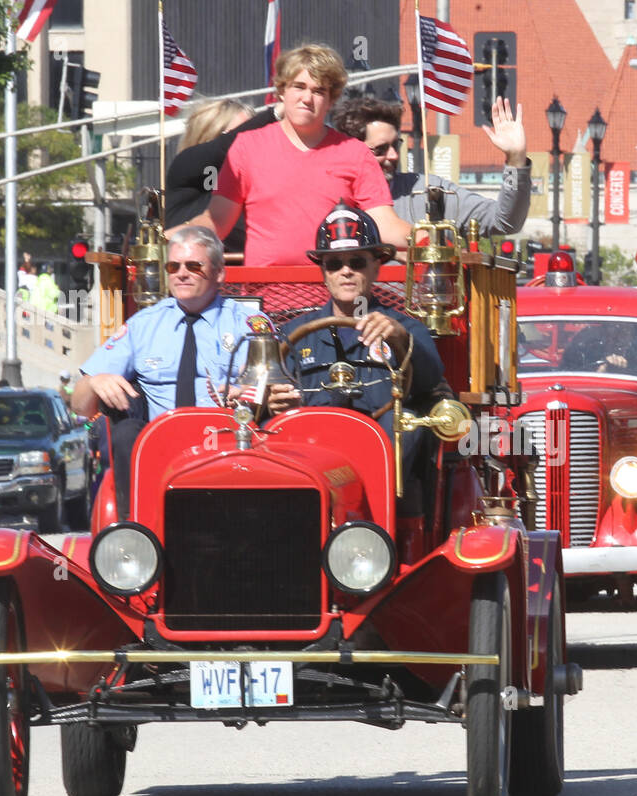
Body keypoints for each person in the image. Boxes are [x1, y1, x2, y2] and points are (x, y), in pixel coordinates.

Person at [72, 225, 266, 518]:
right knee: (125, 434)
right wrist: (96, 381)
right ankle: (137, 536)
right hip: (160, 455)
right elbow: (80, 406)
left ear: (219, 273)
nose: (181, 273)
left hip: (231, 449)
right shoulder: (143, 326)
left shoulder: (249, 324)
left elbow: (274, 389)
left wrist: (250, 392)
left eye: (193, 266)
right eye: (173, 266)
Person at [176, 44, 411, 265]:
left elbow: (385, 225)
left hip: (334, 300)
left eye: (318, 91)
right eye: (299, 87)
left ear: (331, 100)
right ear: (282, 91)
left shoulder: (356, 153)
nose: (307, 99)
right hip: (266, 298)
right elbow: (217, 221)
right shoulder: (247, 146)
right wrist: (176, 237)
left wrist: (430, 238)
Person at [271, 205, 443, 491]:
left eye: (357, 262)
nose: (346, 271)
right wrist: (272, 401)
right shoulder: (293, 335)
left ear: (377, 265)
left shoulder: (405, 327)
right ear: (324, 272)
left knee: (407, 423)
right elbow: (268, 397)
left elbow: (431, 379)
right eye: (334, 264)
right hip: (309, 462)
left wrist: (399, 339)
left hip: (382, 470)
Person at [333, 96, 531, 236]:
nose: (393, 156)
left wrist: (515, 161)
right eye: (380, 149)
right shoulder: (329, 195)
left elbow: (505, 222)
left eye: (396, 145)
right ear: (353, 151)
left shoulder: (429, 189)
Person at [165, 98, 276, 254]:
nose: (249, 142)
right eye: (242, 133)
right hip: (191, 273)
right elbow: (223, 147)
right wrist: (276, 113)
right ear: (209, 134)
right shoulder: (186, 165)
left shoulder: (257, 179)